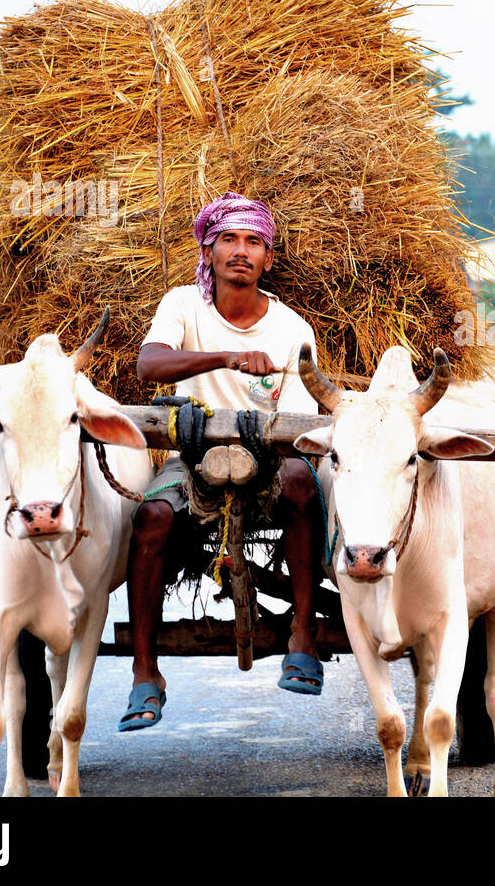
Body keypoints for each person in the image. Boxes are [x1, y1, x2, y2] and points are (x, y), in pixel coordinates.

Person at [118, 192, 327, 732]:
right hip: (192, 459)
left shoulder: (292, 329)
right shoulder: (184, 305)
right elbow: (149, 365)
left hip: (268, 463)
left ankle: (302, 636)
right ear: (208, 253)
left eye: (253, 242)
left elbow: (298, 429)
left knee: (305, 483)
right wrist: (225, 357)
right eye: (228, 240)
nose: (241, 251)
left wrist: (262, 447)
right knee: (151, 517)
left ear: (268, 259)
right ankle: (145, 673)